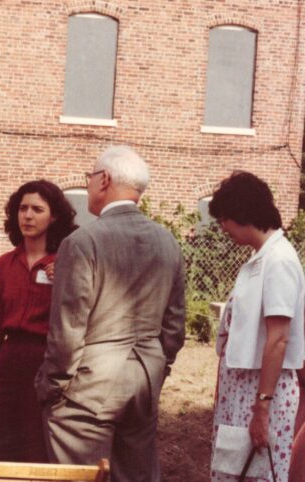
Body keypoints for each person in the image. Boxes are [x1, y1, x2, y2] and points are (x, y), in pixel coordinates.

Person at [34, 145, 186, 482]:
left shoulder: (83, 241)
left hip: (88, 388)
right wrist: (157, 368)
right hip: (144, 383)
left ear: (104, 180)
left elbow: (68, 329)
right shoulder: (167, 242)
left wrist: (54, 385)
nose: (88, 185)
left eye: (90, 178)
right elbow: (174, 327)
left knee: (81, 477)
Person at [209, 171, 304, 482]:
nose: (222, 227)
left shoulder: (279, 260)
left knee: (257, 473)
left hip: (262, 391)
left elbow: (278, 338)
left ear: (242, 212)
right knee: (235, 470)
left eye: (224, 218)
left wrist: (261, 409)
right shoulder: (261, 258)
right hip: (244, 389)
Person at [0, 179, 78, 462]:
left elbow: (78, 316)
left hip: (46, 362)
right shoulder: (4, 264)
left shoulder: (66, 264)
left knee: (38, 447)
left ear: (54, 215)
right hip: (9, 365)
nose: (28, 216)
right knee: (2, 446)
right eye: (22, 209)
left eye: (37, 209)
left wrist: (66, 283)